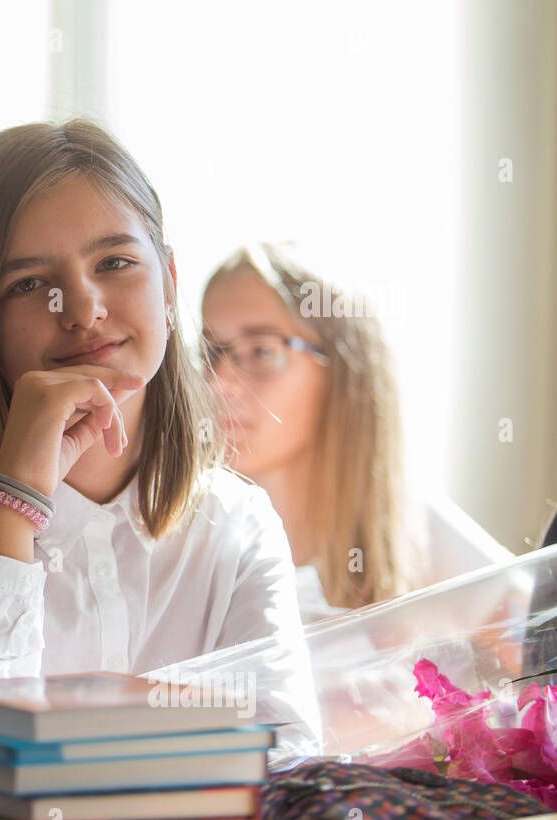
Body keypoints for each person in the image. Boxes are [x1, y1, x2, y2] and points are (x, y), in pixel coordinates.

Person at [0, 120, 317, 811]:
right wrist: (12, 505)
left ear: (168, 283)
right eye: (27, 284)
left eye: (114, 264)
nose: (81, 309)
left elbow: (286, 777)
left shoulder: (237, 525)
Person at [200, 242, 512, 620]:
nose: (218, 383)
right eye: (211, 352)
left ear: (345, 371)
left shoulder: (414, 533)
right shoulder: (187, 539)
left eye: (261, 351)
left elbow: (536, 641)